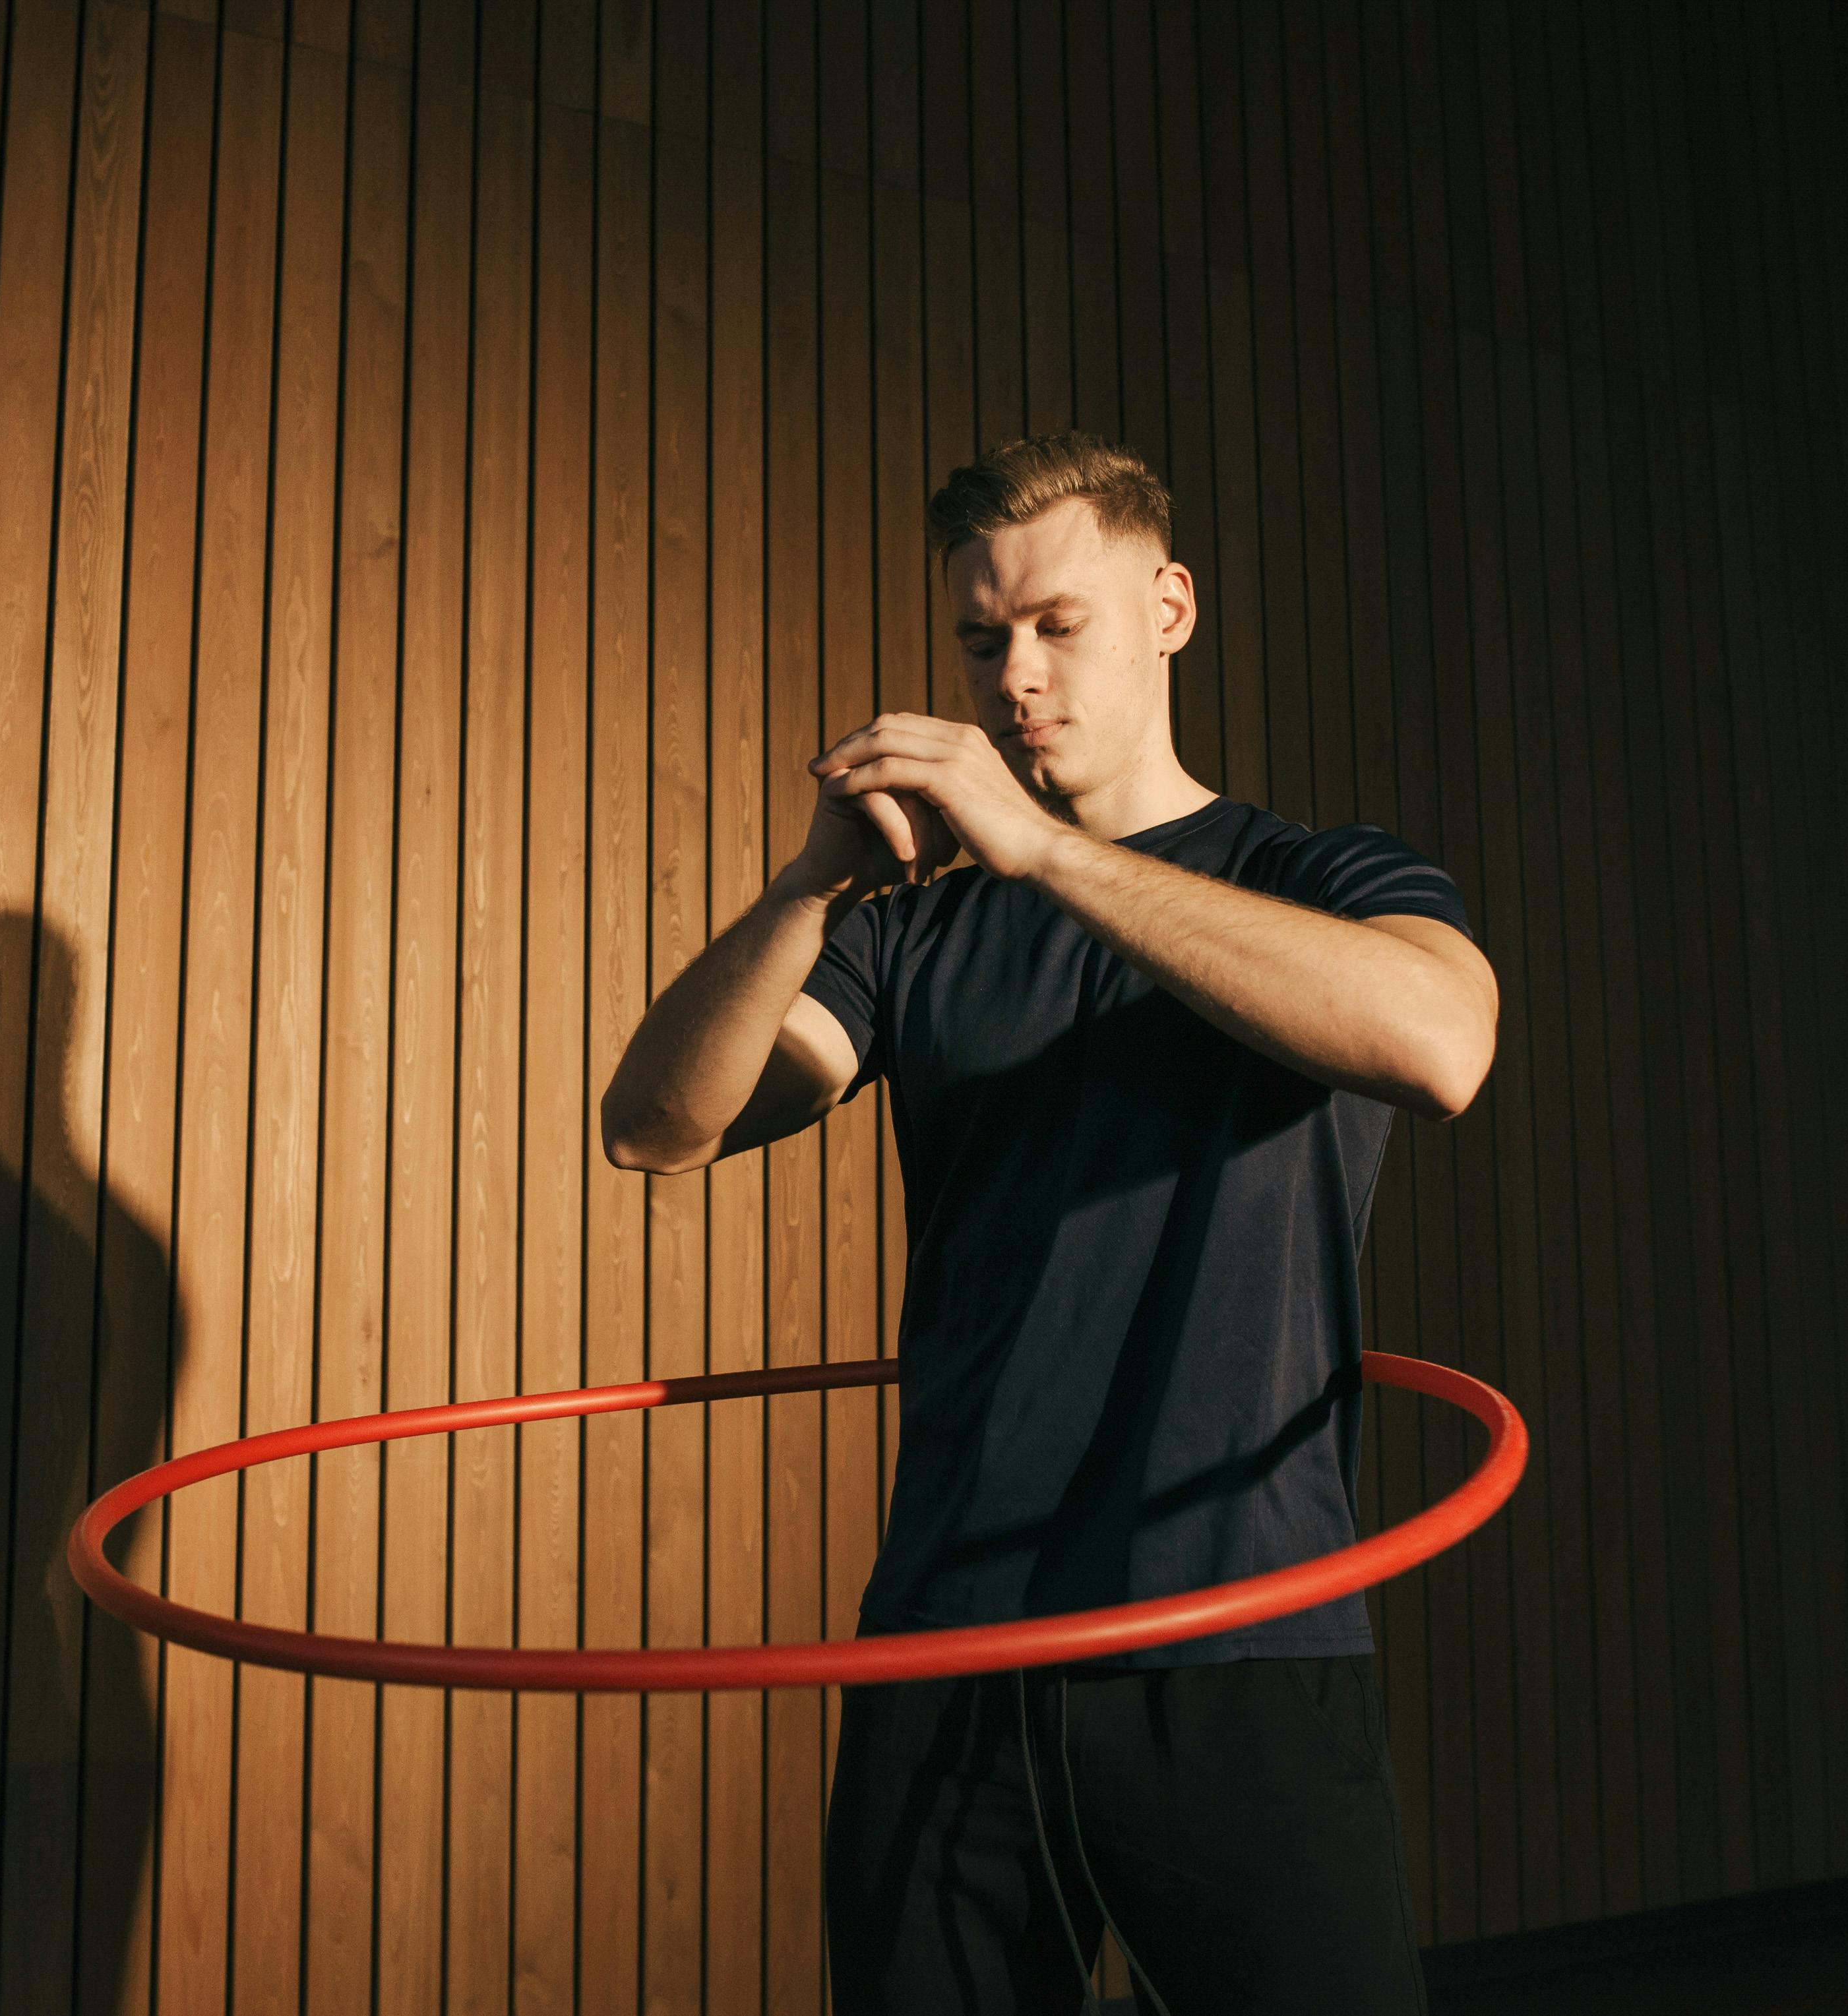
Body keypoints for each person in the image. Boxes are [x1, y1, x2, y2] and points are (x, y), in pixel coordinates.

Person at [598, 434, 1496, 2015]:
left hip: (1235, 1643)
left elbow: (1437, 1044)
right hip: (946, 1649)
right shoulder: (918, 937)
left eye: (1056, 624)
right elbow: (655, 1126)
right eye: (979, 636)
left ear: (1169, 606)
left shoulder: (1318, 875)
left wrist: (1044, 850)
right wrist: (809, 888)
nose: (1012, 674)